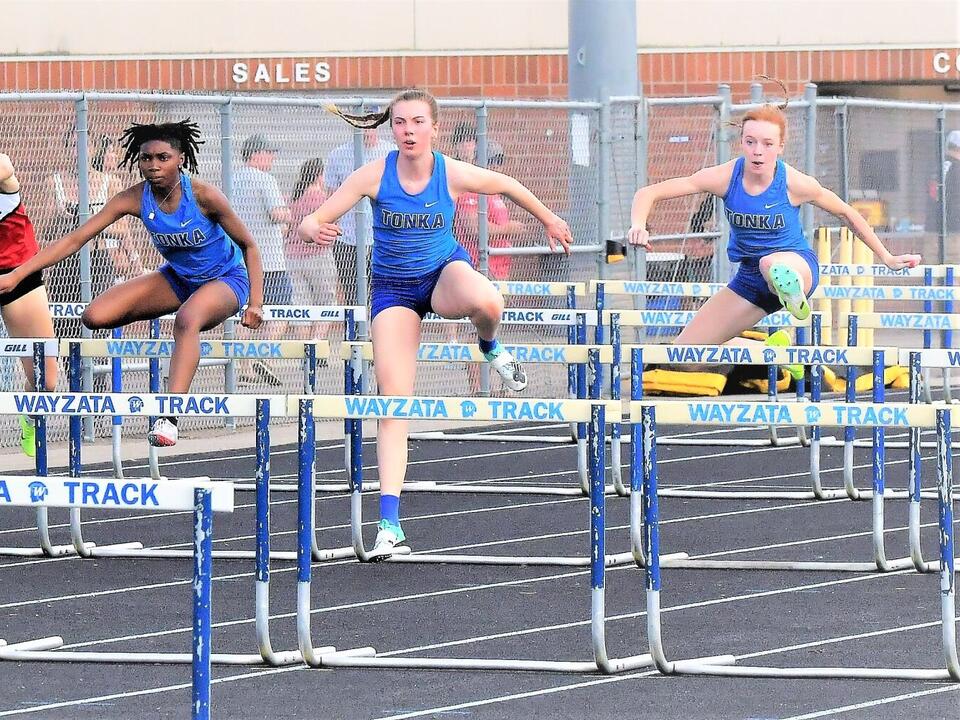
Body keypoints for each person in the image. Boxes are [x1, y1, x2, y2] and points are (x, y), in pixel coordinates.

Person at [299, 88, 572, 560]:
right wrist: (311, 229)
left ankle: (489, 345)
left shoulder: (452, 173)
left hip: (443, 274)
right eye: (400, 123)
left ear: (434, 128)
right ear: (392, 129)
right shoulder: (373, 175)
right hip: (394, 291)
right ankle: (389, 525)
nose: (408, 131)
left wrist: (549, 219)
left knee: (488, 300)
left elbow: (507, 184)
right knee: (393, 402)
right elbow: (313, 219)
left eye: (418, 122)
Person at [0, 120, 266, 447]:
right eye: (146, 158)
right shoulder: (135, 197)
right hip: (179, 278)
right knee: (94, 316)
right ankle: (185, 330)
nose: (153, 165)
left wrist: (255, 302)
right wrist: (17, 274)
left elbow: (250, 246)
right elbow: (75, 240)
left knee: (187, 320)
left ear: (181, 158)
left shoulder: (204, 196)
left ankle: (169, 417)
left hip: (225, 279)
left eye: (163, 158)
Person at [627, 88, 920, 370]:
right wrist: (638, 225)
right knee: (684, 356)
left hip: (796, 266)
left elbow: (846, 212)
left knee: (772, 263)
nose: (757, 152)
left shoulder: (795, 183)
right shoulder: (725, 177)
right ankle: (771, 351)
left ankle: (792, 293)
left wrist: (886, 256)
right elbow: (648, 193)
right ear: (741, 143)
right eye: (750, 142)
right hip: (750, 280)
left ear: (780, 147)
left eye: (767, 144)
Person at [0, 152, 57, 456]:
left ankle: (30, 419)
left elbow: (5, 165)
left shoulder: (3, 168)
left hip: (17, 273)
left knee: (46, 380)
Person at [234, 134, 289, 385]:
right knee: (283, 310)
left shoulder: (232, 179)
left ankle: (244, 367)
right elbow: (277, 214)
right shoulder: (265, 179)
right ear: (256, 154)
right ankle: (263, 354)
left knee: (245, 313)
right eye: (269, 153)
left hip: (240, 259)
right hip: (270, 260)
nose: (272, 158)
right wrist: (288, 213)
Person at [323, 123, 394, 305]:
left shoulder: (391, 154)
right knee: (351, 293)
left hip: (381, 237)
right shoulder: (338, 155)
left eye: (372, 126)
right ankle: (355, 323)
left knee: (380, 290)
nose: (368, 131)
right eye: (363, 126)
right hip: (347, 238)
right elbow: (332, 196)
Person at [450, 122, 525, 281]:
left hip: (500, 267)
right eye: (491, 161)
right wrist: (508, 228)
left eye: (499, 161)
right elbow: (474, 228)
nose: (496, 166)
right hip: (480, 266)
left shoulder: (493, 191)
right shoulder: (469, 187)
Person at [284, 157, 336, 340]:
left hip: (292, 256)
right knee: (326, 302)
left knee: (301, 305)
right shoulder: (321, 198)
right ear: (319, 175)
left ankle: (304, 346)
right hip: (317, 255)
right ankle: (317, 342)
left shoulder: (295, 197)